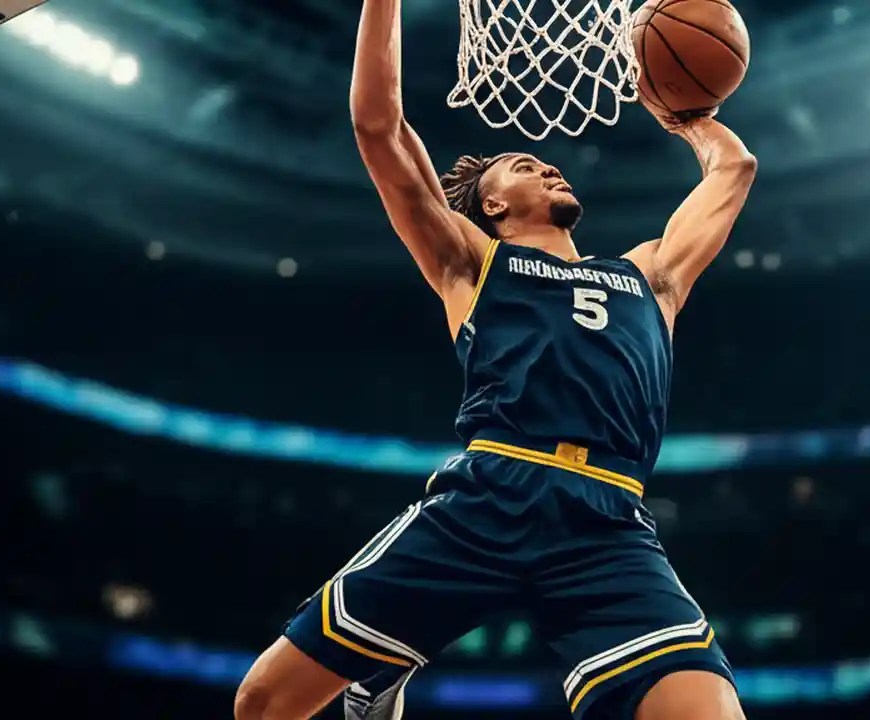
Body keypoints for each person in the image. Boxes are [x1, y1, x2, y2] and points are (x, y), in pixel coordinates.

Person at [234, 0, 756, 717]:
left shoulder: (650, 274)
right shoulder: (471, 260)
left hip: (607, 520)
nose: (546, 164)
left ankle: (385, 661)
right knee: (262, 702)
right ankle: (378, 673)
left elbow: (735, 169)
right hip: (490, 496)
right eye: (522, 166)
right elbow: (378, 127)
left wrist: (686, 117)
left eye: (542, 162)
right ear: (493, 208)